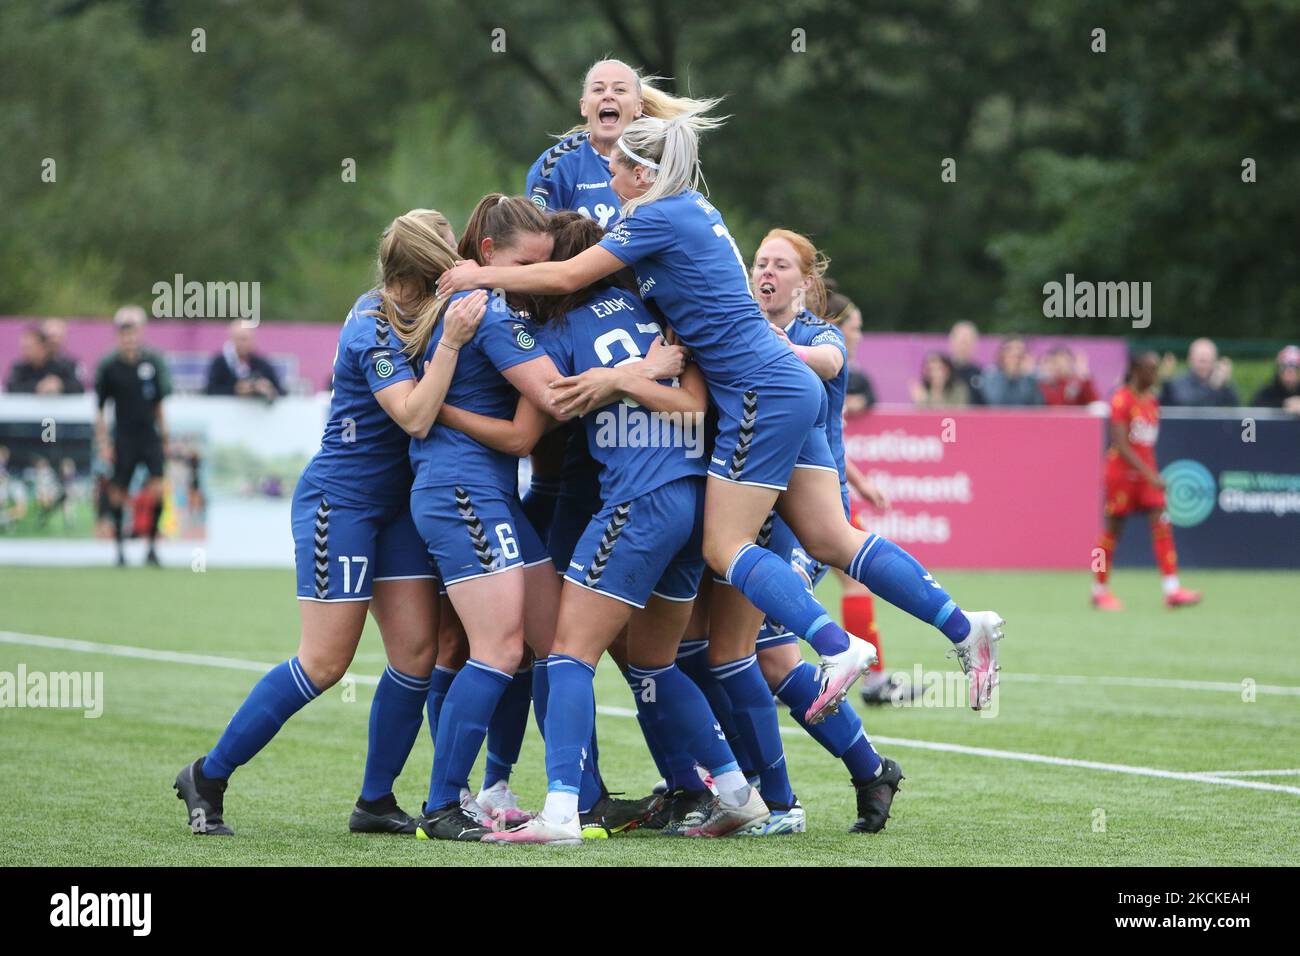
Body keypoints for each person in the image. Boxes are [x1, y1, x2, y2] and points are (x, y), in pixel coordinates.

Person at [439, 105, 1003, 779]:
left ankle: (836, 645)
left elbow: (563, 277)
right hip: (784, 384)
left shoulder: (655, 215)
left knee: (723, 545)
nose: (605, 173)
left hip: (760, 391)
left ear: (641, 171)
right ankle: (963, 625)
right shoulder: (687, 207)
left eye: (615, 163)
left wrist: (479, 275)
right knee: (833, 537)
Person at [173, 209, 487, 836]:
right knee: (324, 663)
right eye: (450, 251)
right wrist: (451, 342)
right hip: (338, 504)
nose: (461, 260)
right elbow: (415, 418)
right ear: (424, 266)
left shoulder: (424, 304)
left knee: (416, 655)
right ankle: (206, 775)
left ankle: (374, 802)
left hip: (396, 508)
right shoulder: (371, 322)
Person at [469, 214, 766, 843]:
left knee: (569, 653)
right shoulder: (654, 313)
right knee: (655, 662)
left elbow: (555, 402)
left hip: (639, 501)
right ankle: (738, 792)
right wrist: (641, 371)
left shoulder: (559, 326)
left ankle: (561, 812)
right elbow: (694, 404)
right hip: (695, 498)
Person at [747, 229, 900, 833]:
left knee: (765, 656)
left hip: (803, 520)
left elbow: (828, 374)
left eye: (779, 265)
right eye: (758, 262)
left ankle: (764, 791)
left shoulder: (817, 335)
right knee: (762, 661)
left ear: (806, 282)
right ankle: (859, 770)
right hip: (754, 509)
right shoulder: (747, 325)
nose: (765, 272)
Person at [1091, 351, 1201, 611]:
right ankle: (1099, 590)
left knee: (1162, 524)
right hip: (1121, 476)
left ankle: (1172, 589)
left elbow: (1146, 445)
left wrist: (1151, 473)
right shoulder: (1121, 399)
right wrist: (1150, 473)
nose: (1155, 374)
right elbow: (1120, 443)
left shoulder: (1152, 402)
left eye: (1156, 368)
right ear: (1136, 370)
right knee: (1110, 533)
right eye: (1150, 369)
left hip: (1145, 478)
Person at [94, 307, 172, 566]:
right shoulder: (110, 367)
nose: (129, 339)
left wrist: (164, 436)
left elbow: (159, 403)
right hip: (124, 436)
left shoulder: (151, 364)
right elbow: (100, 408)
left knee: (158, 488)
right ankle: (119, 550)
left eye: (133, 333)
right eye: (124, 334)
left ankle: (151, 546)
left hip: (149, 435)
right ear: (119, 337)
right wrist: (104, 442)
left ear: (139, 335)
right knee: (118, 491)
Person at [204, 320, 286, 400]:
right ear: (231, 339)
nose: (243, 343)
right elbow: (210, 391)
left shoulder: (262, 364)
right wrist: (236, 390)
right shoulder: (220, 363)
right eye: (240, 339)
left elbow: (282, 392)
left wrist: (268, 389)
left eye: (246, 339)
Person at [1159, 338, 1239, 407]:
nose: (1203, 362)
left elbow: (1235, 411)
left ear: (1215, 360)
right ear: (1190, 359)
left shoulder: (1224, 386)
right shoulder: (1177, 384)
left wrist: (1225, 385)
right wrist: (1165, 382)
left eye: (1207, 358)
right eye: (1200, 359)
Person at [6, 324, 83, 395]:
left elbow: (79, 387)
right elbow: (10, 387)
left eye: (28, 348)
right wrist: (37, 387)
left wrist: (60, 385)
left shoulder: (62, 366)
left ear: (42, 348)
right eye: (23, 348)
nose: (24, 352)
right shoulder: (19, 367)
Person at [980, 335, 1042, 406]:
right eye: (1009, 349)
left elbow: (1037, 405)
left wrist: (1030, 376)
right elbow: (994, 401)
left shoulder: (1029, 379)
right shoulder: (990, 376)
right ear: (1001, 354)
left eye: (1019, 350)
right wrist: (1009, 375)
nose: (1015, 353)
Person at [1251, 345, 1300, 414]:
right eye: (1284, 369)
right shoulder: (1267, 393)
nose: (1288, 375)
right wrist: (1283, 405)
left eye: (1294, 370)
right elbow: (1254, 410)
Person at [947, 320, 984, 404]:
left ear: (974, 344)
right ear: (952, 341)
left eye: (967, 341)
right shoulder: (944, 372)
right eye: (961, 341)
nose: (963, 346)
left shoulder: (981, 373)